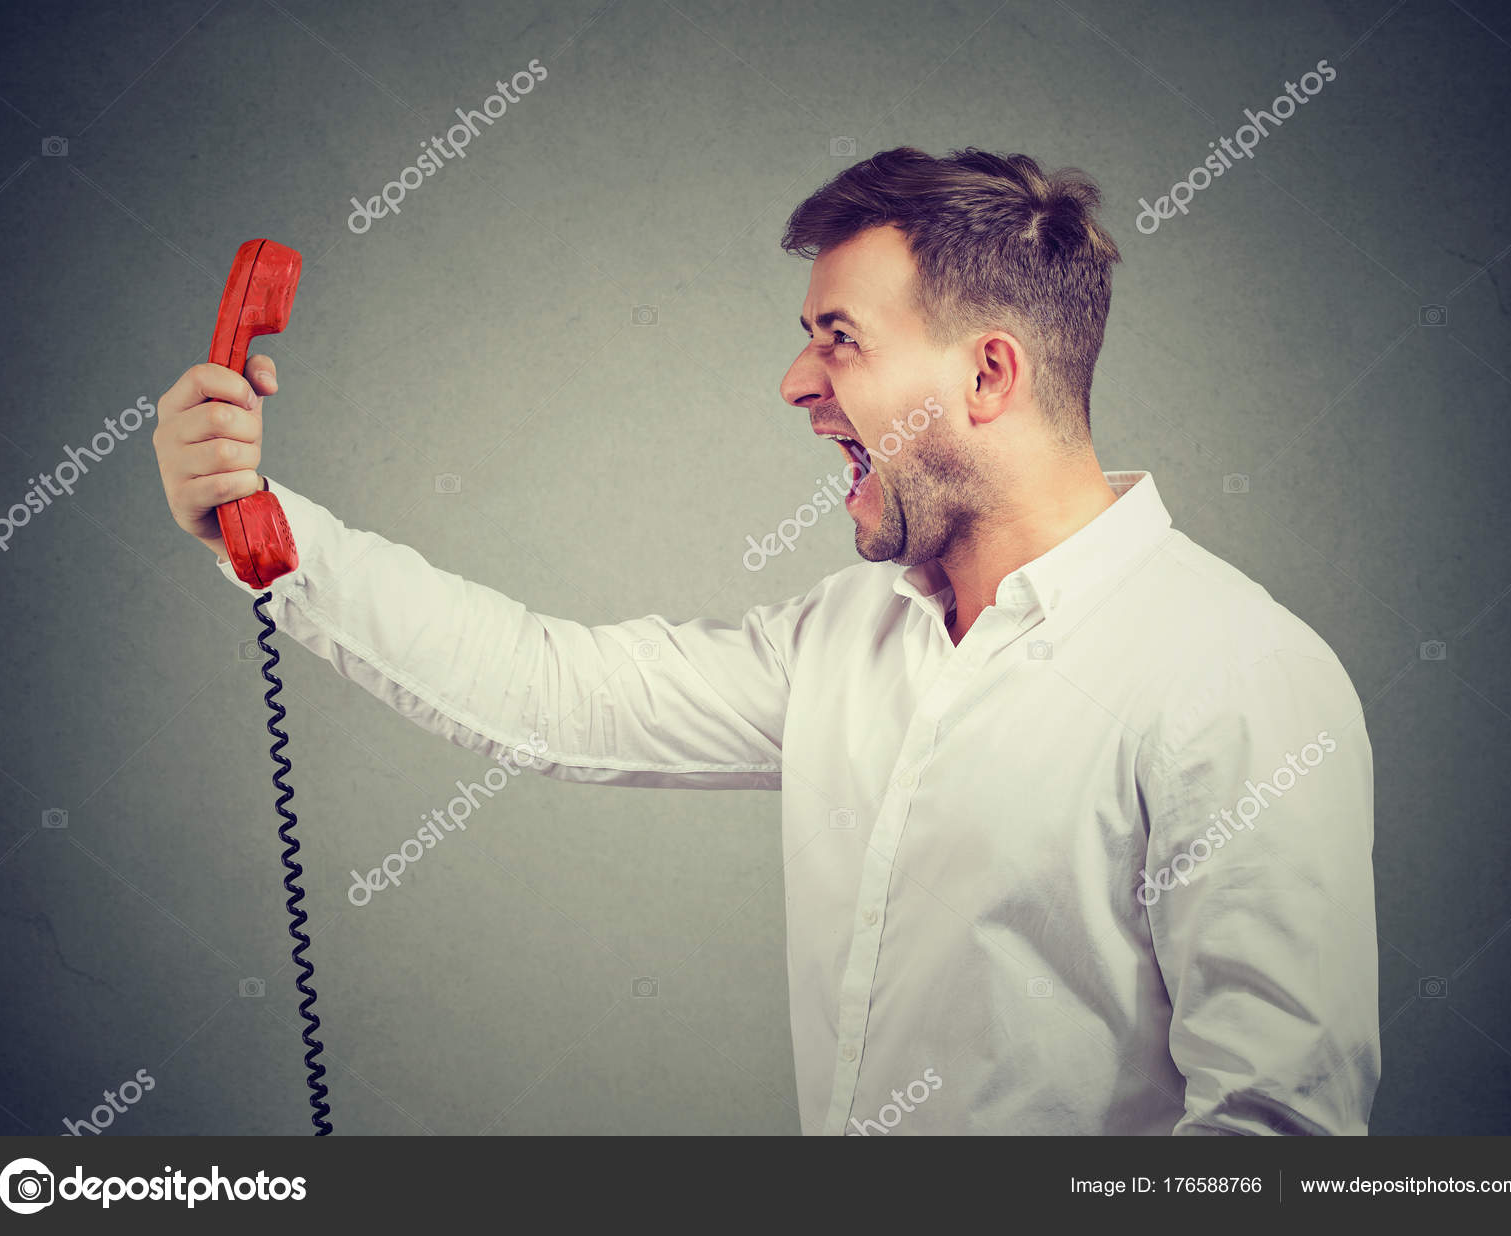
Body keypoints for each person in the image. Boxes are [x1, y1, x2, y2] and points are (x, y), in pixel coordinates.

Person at [152, 146, 1380, 1135]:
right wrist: (260, 529)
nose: (795, 380)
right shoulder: (845, 638)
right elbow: (553, 691)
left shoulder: (1235, 674)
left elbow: (1274, 1133)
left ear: (989, 373)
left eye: (838, 337)